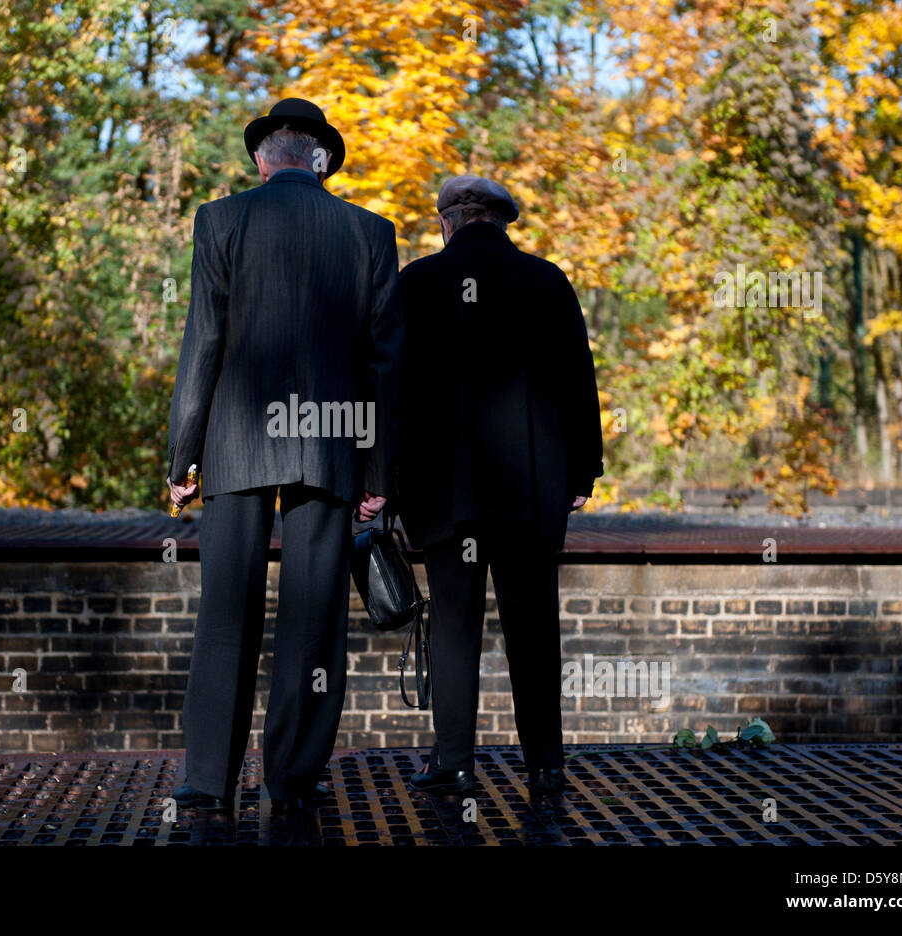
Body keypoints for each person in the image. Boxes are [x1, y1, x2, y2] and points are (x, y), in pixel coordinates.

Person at [166, 98, 403, 811]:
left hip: (236, 439)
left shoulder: (222, 219)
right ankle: (292, 775)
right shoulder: (369, 232)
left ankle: (207, 779)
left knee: (225, 613)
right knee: (313, 614)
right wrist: (376, 471)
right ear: (320, 161)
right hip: (330, 443)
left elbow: (203, 341)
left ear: (264, 159)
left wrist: (183, 456)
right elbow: (384, 365)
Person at [395, 175, 603, 802]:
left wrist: (384, 481)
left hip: (445, 495)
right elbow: (577, 382)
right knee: (534, 629)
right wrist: (582, 472)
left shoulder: (417, 284)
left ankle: (455, 764)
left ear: (448, 221)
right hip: (529, 494)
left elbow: (393, 393)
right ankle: (545, 765)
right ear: (503, 221)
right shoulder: (547, 281)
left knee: (455, 628)